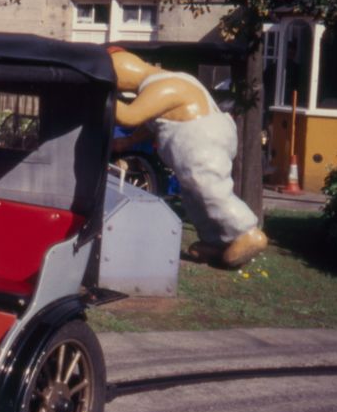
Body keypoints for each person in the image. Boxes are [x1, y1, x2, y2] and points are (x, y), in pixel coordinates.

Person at [109, 47, 267, 268]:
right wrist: (127, 142)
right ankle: (215, 241)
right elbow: (150, 124)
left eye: (112, 74)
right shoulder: (164, 82)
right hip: (197, 141)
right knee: (193, 195)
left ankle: (246, 232)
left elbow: (129, 116)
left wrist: (101, 93)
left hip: (200, 140)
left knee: (210, 189)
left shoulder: (162, 85)